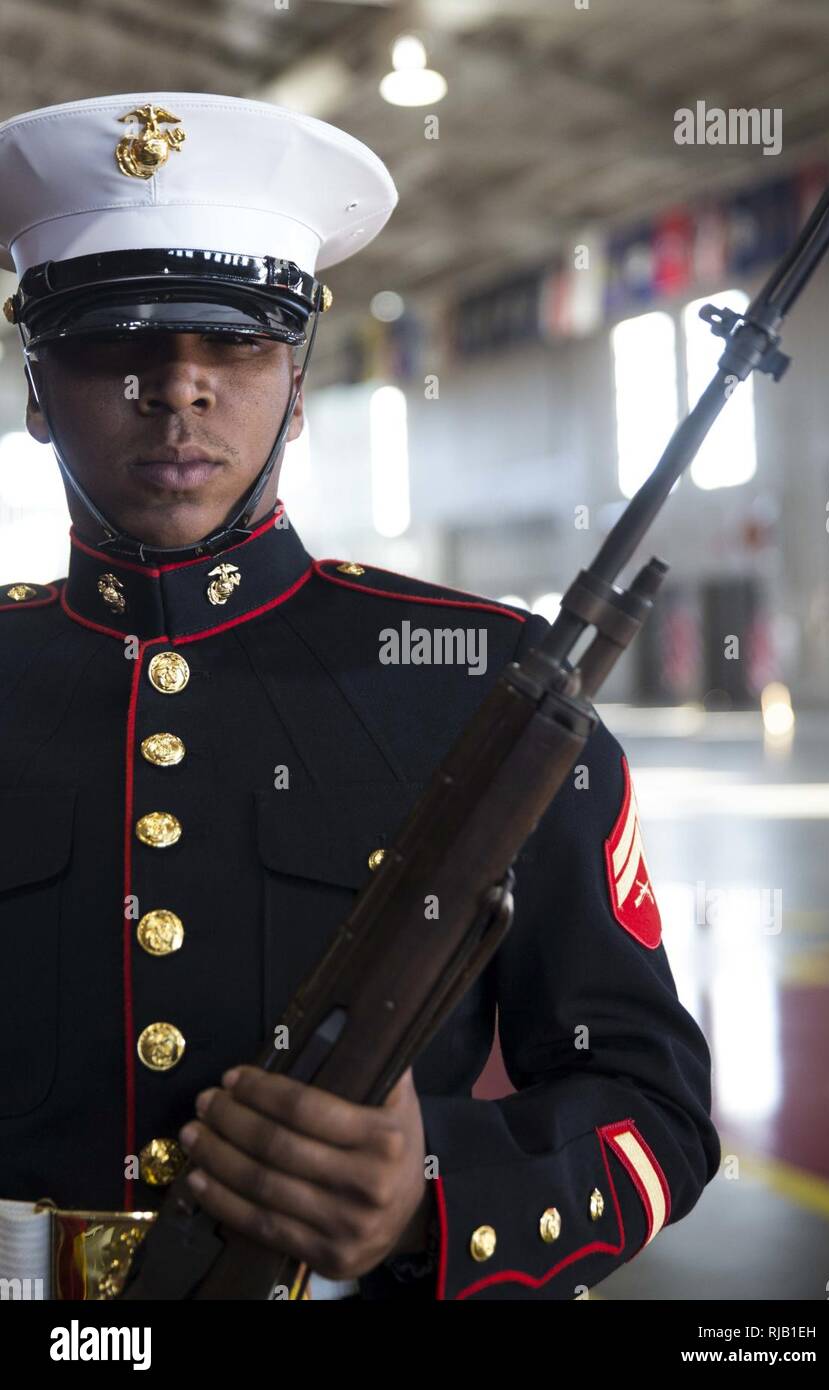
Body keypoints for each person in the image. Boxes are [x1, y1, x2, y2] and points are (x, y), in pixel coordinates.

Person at [0, 91, 720, 1301]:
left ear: (297, 374)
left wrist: (434, 1192)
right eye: (114, 339)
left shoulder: (493, 695)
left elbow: (651, 1110)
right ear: (34, 382)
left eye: (234, 342)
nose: (175, 389)